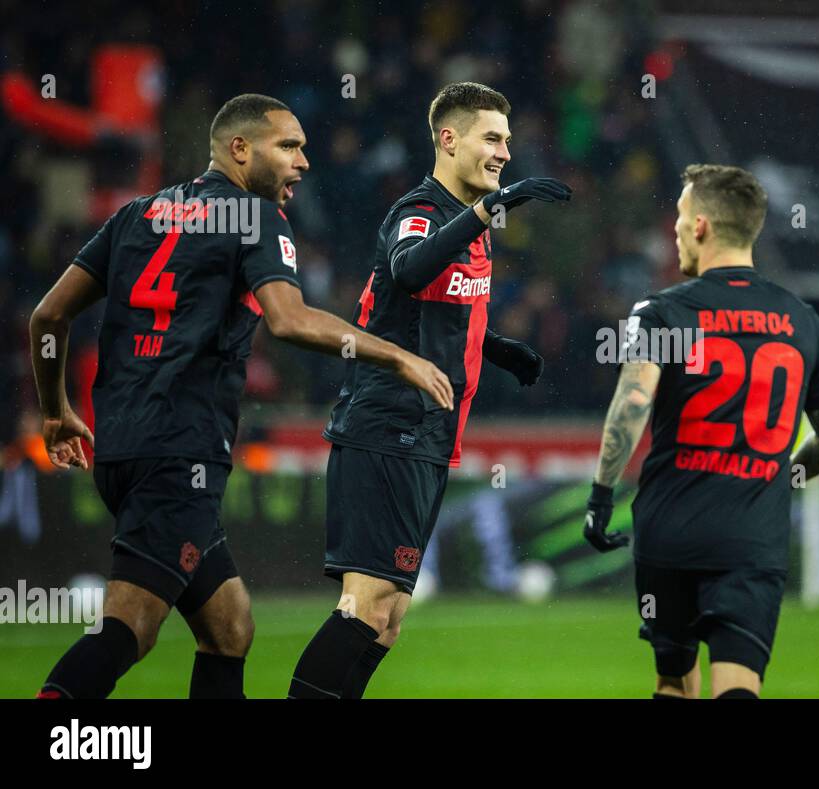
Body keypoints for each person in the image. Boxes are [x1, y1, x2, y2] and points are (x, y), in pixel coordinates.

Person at [31, 94, 452, 699]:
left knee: (230, 627)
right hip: (179, 453)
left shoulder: (138, 215)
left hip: (122, 445)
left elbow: (48, 317)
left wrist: (55, 410)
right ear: (239, 149)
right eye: (288, 146)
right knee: (131, 626)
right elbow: (289, 320)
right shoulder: (254, 219)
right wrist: (397, 354)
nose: (303, 162)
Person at [288, 82, 569, 699]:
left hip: (430, 434)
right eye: (491, 138)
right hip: (387, 426)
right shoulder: (421, 211)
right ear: (449, 139)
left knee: (386, 623)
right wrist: (488, 212)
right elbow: (407, 269)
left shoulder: (471, 223)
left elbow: (425, 306)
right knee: (363, 606)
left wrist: (497, 349)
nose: (504, 153)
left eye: (508, 141)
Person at [582, 164, 819, 699]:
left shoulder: (662, 312)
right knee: (738, 685)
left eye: (680, 218)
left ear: (701, 225)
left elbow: (633, 401)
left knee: (673, 682)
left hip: (669, 530)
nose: (675, 230)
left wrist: (600, 494)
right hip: (751, 536)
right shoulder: (803, 321)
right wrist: (781, 477)